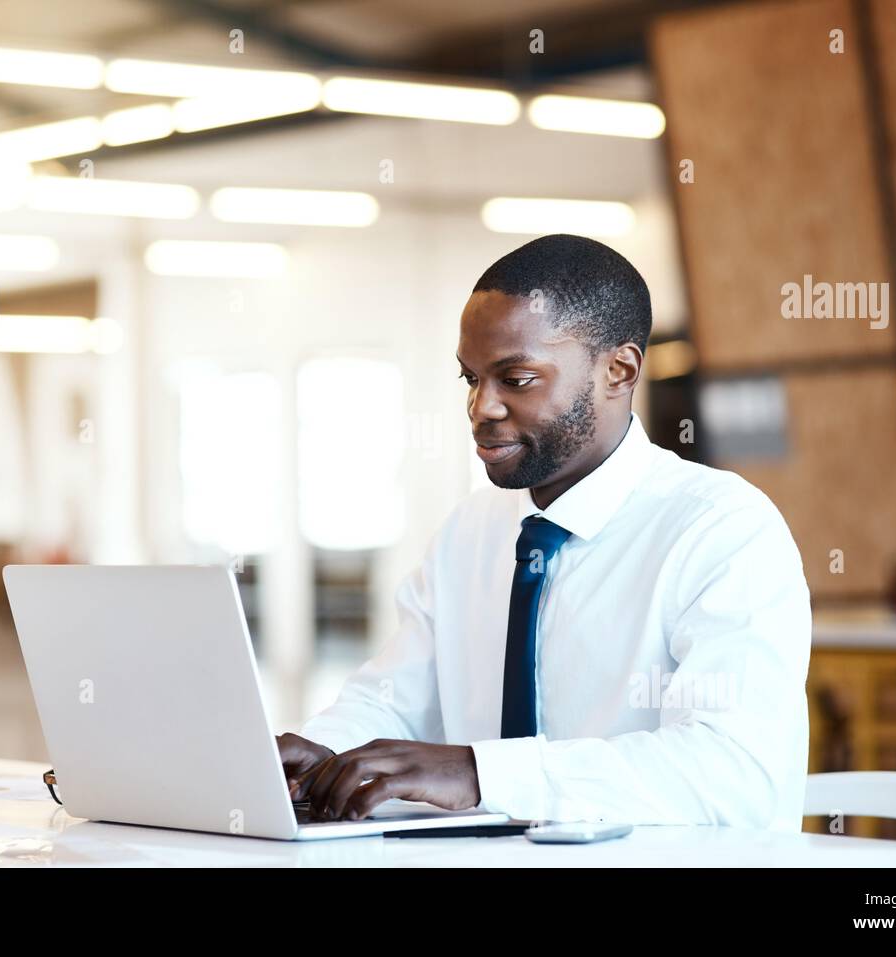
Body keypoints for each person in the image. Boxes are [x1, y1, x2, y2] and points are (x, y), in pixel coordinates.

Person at [277, 234, 811, 829]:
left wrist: (483, 774)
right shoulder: (471, 532)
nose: (482, 407)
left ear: (619, 370)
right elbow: (393, 701)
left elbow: (729, 771)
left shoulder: (721, 528)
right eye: (471, 379)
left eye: (517, 379)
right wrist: (320, 756)